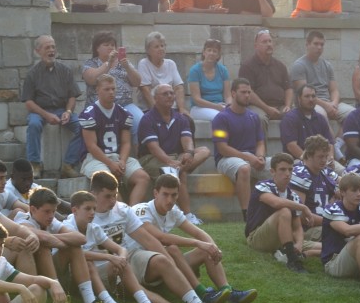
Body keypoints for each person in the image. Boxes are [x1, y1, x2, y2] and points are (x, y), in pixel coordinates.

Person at [89, 170, 220, 303]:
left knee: (162, 259)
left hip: (128, 257)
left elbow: (148, 240)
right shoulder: (83, 215)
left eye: (115, 195)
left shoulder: (123, 209)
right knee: (120, 264)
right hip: (104, 267)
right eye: (107, 196)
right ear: (93, 194)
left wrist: (171, 266)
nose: (113, 200)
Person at [132, 173, 257, 303]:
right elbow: (161, 238)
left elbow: (198, 232)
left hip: (163, 264)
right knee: (173, 249)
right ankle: (203, 293)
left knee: (205, 250)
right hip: (139, 267)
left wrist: (213, 248)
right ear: (155, 193)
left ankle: (228, 290)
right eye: (165, 194)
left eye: (174, 195)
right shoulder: (142, 210)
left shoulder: (173, 211)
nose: (169, 200)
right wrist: (198, 243)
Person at [138, 85, 211, 215]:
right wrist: (171, 162)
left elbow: (187, 140)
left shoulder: (181, 118)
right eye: (165, 94)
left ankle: (178, 169)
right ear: (155, 98)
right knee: (180, 173)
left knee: (204, 150)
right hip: (151, 159)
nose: (170, 96)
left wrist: (189, 153)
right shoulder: (147, 119)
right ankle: (187, 215)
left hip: (175, 157)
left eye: (172, 93)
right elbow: (154, 149)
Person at [80, 75, 151, 204]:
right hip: (95, 158)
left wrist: (122, 161)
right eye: (107, 89)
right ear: (97, 90)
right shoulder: (89, 114)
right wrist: (111, 163)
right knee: (108, 181)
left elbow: (126, 142)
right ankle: (120, 214)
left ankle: (132, 213)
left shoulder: (123, 113)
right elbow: (91, 146)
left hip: (118, 156)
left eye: (113, 89)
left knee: (143, 178)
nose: (111, 92)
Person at [21, 35, 84, 180]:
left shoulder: (65, 71)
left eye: (53, 47)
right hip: (40, 111)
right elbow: (29, 102)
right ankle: (35, 164)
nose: (51, 50)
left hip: (62, 110)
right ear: (38, 51)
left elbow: (72, 96)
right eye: (47, 47)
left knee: (82, 126)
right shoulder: (32, 74)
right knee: (34, 124)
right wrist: (46, 115)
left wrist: (68, 111)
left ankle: (68, 165)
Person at [246, 147, 315, 273]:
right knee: (284, 211)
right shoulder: (263, 186)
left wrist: (299, 243)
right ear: (272, 171)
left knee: (324, 247)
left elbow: (297, 227)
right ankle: (292, 260)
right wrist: (303, 207)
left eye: (290, 169)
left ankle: (300, 253)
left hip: (282, 239)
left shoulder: (292, 195)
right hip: (257, 237)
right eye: (282, 169)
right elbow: (276, 202)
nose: (287, 173)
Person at [213, 78, 271, 217]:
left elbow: (260, 143)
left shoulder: (254, 117)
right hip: (226, 159)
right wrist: (249, 158)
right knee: (244, 169)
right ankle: (248, 214)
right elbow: (222, 148)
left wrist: (260, 157)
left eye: (249, 92)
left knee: (281, 165)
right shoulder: (220, 118)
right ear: (233, 93)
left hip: (251, 158)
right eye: (243, 92)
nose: (247, 95)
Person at [81, 30, 144, 139]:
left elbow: (137, 82)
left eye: (112, 45)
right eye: (106, 45)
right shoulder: (91, 63)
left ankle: (142, 155)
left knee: (141, 122)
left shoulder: (123, 63)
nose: (110, 47)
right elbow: (91, 79)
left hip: (125, 105)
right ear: (97, 48)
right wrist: (108, 64)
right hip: (98, 106)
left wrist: (128, 67)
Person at [291, 31, 353, 128]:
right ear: (307, 44)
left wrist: (334, 104)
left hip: (329, 103)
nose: (319, 47)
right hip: (311, 103)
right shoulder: (299, 66)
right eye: (316, 44)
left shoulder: (327, 65)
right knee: (320, 116)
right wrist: (326, 106)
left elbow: (334, 90)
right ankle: (331, 142)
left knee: (353, 114)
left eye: (322, 45)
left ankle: (338, 142)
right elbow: (304, 95)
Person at [238, 29, 293, 130]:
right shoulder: (247, 66)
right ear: (256, 46)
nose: (268, 44)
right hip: (257, 107)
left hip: (280, 105)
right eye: (264, 42)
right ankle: (261, 146)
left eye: (270, 41)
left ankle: (292, 146)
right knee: (259, 119)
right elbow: (248, 93)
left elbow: (288, 88)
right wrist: (267, 109)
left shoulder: (280, 66)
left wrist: (288, 105)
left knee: (294, 117)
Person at [280, 85, 335, 160]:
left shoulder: (320, 118)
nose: (311, 99)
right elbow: (291, 146)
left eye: (313, 96)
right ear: (299, 99)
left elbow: (329, 143)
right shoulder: (290, 118)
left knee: (342, 170)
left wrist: (330, 158)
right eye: (307, 96)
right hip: (297, 161)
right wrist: (310, 161)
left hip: (321, 161)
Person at [138, 31, 186, 111]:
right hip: (151, 109)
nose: (161, 49)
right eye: (156, 47)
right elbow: (146, 91)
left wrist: (181, 109)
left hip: (171, 108)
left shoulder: (171, 64)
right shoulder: (144, 64)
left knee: (187, 120)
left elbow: (179, 88)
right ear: (148, 50)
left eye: (162, 46)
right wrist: (158, 112)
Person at [187, 38, 230, 123]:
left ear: (218, 55)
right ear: (204, 52)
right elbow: (196, 99)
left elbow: (228, 95)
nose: (211, 53)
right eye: (209, 50)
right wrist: (216, 107)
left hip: (221, 106)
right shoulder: (195, 71)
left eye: (215, 51)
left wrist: (229, 106)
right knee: (220, 117)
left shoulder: (223, 70)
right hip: (199, 108)